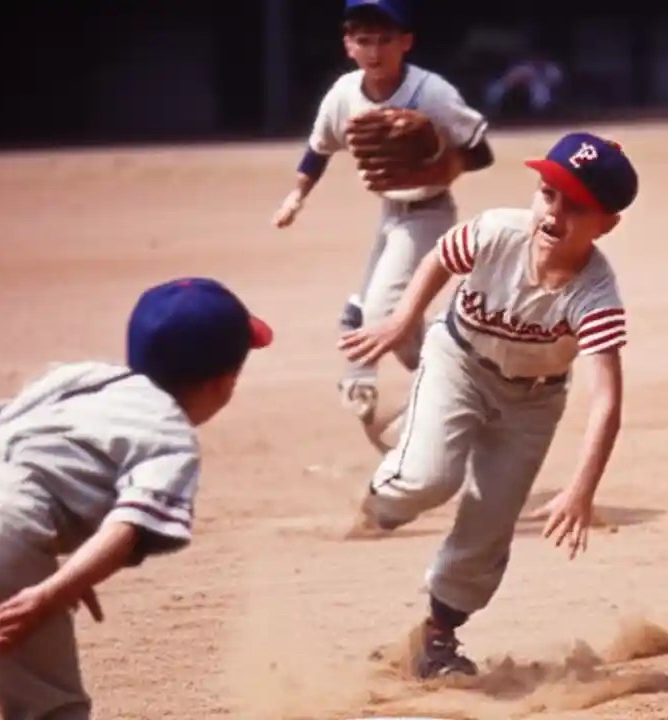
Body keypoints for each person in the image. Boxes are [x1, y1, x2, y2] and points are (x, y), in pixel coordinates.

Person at [0, 277, 273, 719]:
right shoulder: (170, 433)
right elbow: (129, 526)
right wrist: (50, 592)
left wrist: (64, 569)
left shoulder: (82, 377)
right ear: (224, 382)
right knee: (51, 710)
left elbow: (44, 452)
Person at [338, 131, 638, 679]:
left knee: (491, 521)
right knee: (428, 479)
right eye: (549, 193)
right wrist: (403, 321)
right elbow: (437, 259)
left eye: (577, 206)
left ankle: (437, 637)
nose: (555, 212)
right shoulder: (498, 231)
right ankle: (379, 500)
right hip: (459, 359)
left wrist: (581, 488)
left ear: (607, 224)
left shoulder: (596, 295)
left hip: (533, 401)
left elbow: (607, 401)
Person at [271, 0, 494, 441]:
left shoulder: (432, 93)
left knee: (379, 310)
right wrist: (296, 196)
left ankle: (370, 380)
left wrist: (444, 167)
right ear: (348, 45)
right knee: (385, 325)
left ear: (406, 42)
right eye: (364, 40)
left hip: (429, 214)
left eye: (386, 39)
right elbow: (318, 148)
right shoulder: (344, 94)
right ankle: (456, 366)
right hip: (389, 214)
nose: (375, 51)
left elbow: (480, 150)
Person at [483, 52, 565, 117]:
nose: (538, 59)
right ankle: (493, 109)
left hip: (540, 87)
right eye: (535, 56)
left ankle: (540, 112)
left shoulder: (552, 68)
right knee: (497, 87)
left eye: (540, 57)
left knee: (539, 90)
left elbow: (555, 83)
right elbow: (509, 79)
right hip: (515, 88)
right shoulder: (524, 67)